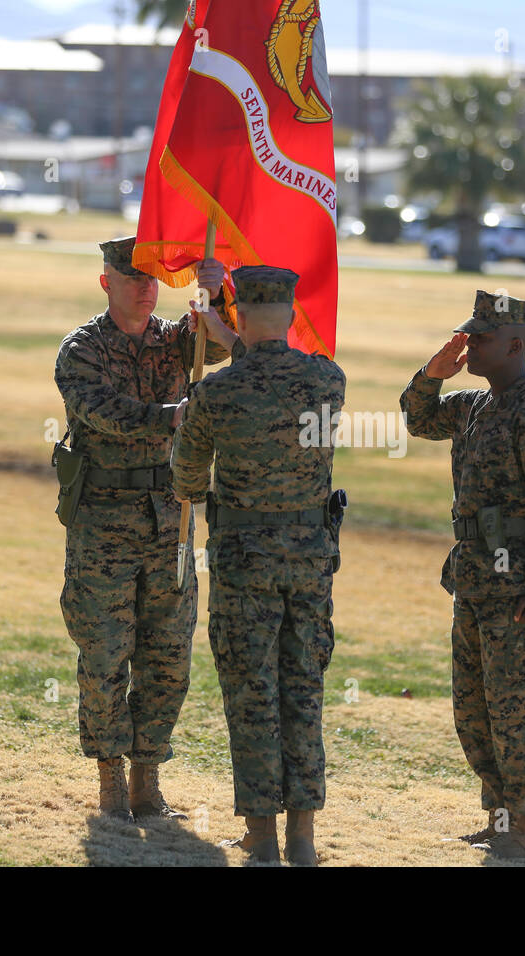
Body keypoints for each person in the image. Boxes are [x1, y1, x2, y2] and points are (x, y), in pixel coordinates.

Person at [54, 236, 241, 821]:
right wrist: (173, 416)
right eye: (130, 276)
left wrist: (220, 287)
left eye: (151, 276)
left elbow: (235, 347)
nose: (143, 286)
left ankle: (147, 777)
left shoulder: (176, 340)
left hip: (171, 519)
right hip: (104, 522)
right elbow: (101, 415)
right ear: (105, 280)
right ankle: (110, 778)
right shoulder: (82, 350)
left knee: (167, 654)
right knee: (106, 650)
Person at [399, 289, 525, 860]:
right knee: (473, 705)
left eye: (481, 337)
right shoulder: (474, 407)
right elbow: (419, 418)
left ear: (515, 344)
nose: (471, 344)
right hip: (474, 580)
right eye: (470, 334)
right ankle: (498, 817)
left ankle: (524, 831)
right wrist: (431, 373)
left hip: (518, 588)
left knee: (513, 707)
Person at [171, 265, 345, 865]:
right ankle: (302, 838)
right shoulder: (328, 381)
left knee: (252, 696)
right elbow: (274, 363)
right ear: (293, 317)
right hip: (310, 567)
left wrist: (219, 350)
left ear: (240, 315)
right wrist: (236, 339)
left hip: (244, 567)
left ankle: (261, 839)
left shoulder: (214, 392)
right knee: (303, 692)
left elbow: (188, 482)